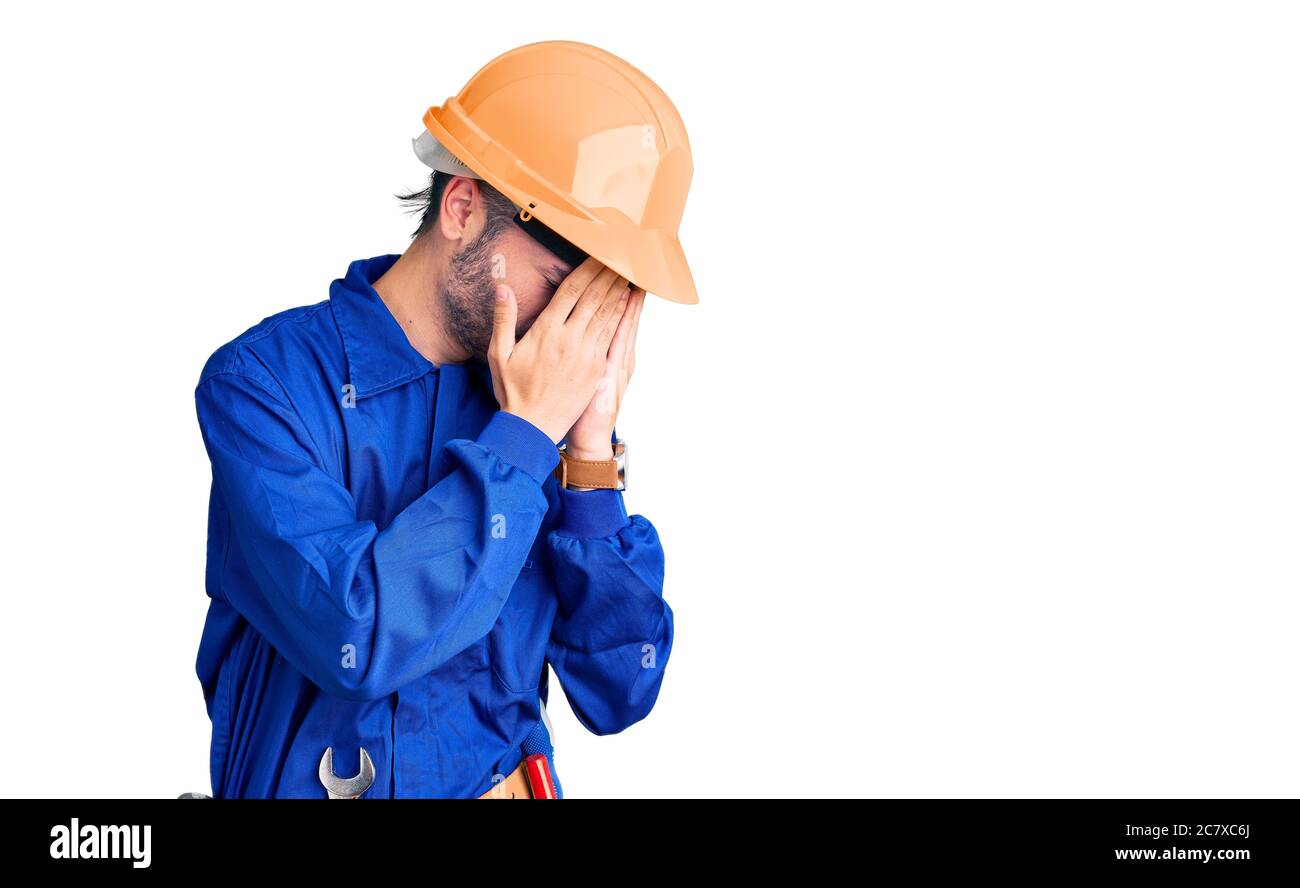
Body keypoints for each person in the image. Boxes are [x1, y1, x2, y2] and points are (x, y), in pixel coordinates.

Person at [192, 41, 696, 798]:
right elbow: (355, 635)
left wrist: (590, 454)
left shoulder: (542, 405)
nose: (567, 333)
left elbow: (620, 690)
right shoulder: (265, 386)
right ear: (463, 208)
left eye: (596, 307)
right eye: (560, 287)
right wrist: (524, 440)